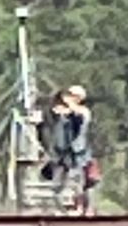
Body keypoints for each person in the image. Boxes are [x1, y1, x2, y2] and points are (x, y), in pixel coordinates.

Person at [39, 84, 100, 213]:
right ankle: (63, 210)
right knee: (57, 186)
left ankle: (79, 209)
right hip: (62, 156)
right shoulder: (62, 113)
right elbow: (52, 115)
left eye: (72, 96)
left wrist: (68, 104)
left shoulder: (83, 111)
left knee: (77, 184)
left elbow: (79, 115)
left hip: (78, 155)